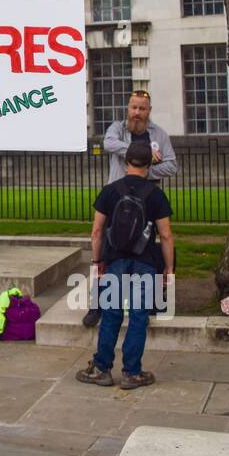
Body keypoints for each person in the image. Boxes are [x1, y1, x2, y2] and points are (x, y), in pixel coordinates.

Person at [76, 141, 174, 391]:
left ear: (125, 162)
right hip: (145, 262)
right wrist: (168, 270)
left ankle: (101, 369)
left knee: (110, 313)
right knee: (139, 316)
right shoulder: (156, 195)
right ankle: (132, 372)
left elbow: (97, 231)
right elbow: (165, 236)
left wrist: (97, 261)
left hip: (115, 259)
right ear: (150, 165)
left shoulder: (109, 192)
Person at [86, 91, 177, 327]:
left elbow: (171, 165)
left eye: (142, 108)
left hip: (146, 203)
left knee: (150, 252)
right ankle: (96, 305)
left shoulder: (159, 134)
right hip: (116, 202)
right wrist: (139, 155)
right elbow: (108, 144)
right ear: (128, 108)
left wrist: (143, 170)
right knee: (104, 252)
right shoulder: (117, 129)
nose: (137, 112)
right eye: (133, 107)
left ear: (149, 111)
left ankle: (154, 301)